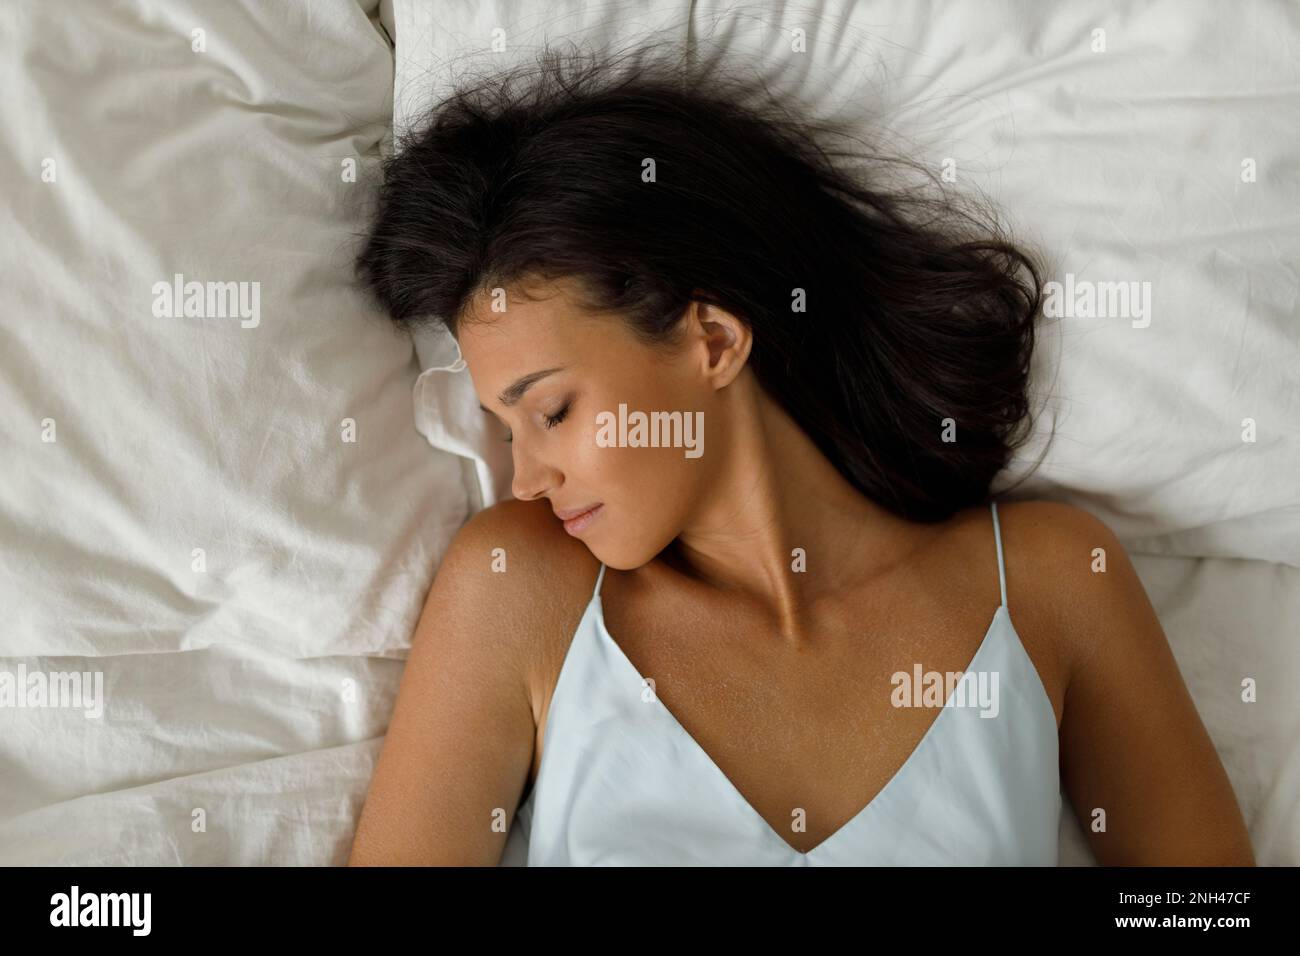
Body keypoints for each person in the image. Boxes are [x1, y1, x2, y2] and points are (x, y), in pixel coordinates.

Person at [346, 42, 1254, 866]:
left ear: (711, 340)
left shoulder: (1051, 583)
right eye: (504, 432)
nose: (526, 478)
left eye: (549, 410)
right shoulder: (523, 588)